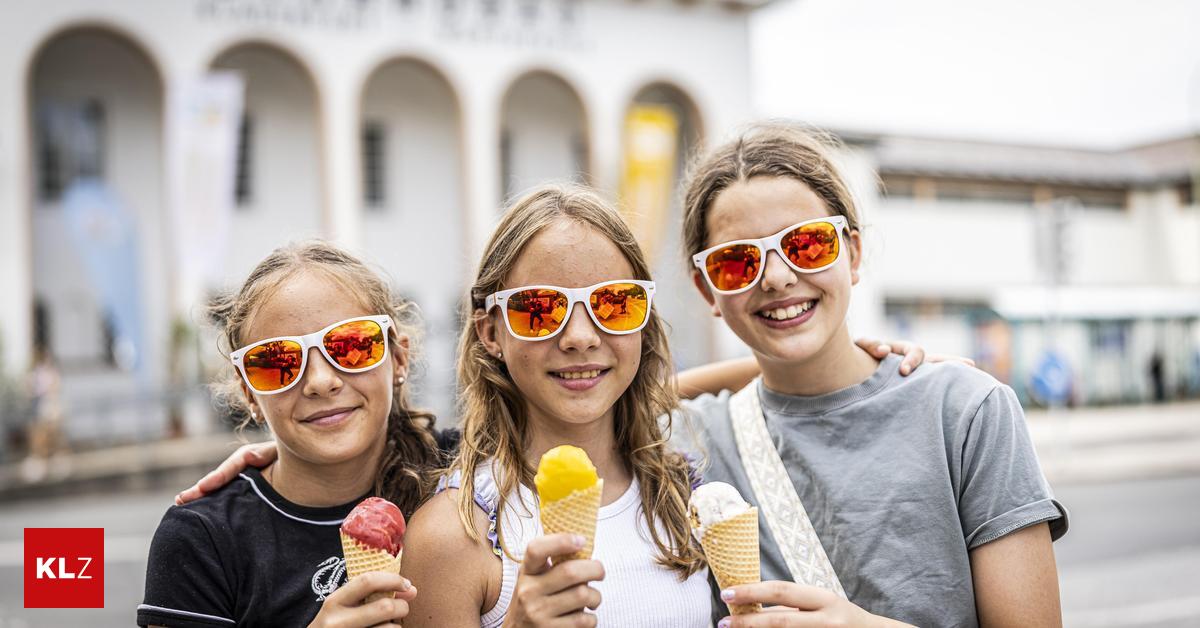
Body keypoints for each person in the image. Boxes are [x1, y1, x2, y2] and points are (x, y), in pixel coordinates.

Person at [679, 122, 1068, 627]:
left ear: (854, 253)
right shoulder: (693, 438)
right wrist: (770, 360)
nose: (776, 277)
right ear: (707, 290)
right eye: (736, 262)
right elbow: (619, 400)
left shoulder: (966, 411)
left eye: (807, 244)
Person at [402, 185, 714, 626]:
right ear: (491, 333)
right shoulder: (452, 535)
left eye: (615, 304)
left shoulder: (686, 499)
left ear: (644, 321)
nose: (580, 337)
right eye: (540, 310)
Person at [138, 242, 442, 628]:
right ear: (249, 391)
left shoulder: (470, 475)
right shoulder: (202, 539)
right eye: (277, 361)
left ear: (397, 357)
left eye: (350, 345)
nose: (320, 382)